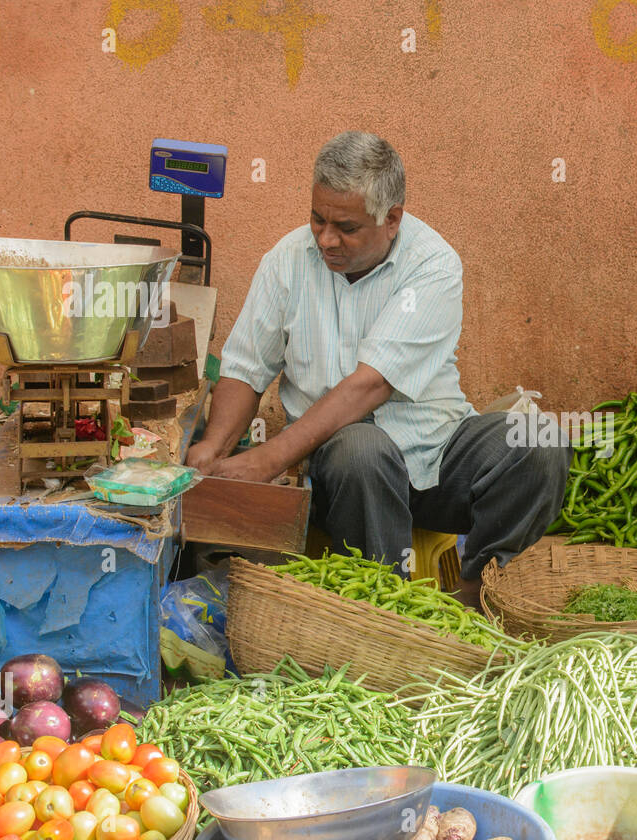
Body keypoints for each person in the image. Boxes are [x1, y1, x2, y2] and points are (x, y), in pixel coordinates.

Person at [186, 132, 571, 609]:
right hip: (341, 474)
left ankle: (474, 597)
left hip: (435, 455)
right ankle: (385, 611)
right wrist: (211, 449)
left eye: (346, 227)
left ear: (392, 220)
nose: (326, 239)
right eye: (317, 219)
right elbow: (245, 367)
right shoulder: (286, 262)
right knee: (361, 448)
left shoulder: (433, 266)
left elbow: (372, 384)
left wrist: (267, 460)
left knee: (538, 440)